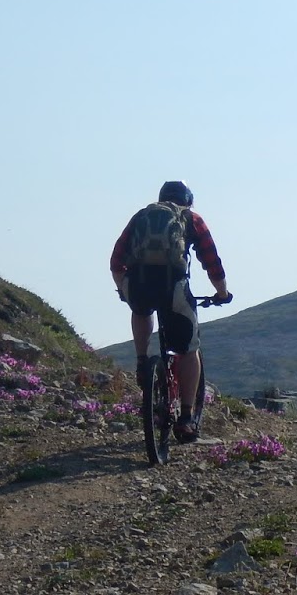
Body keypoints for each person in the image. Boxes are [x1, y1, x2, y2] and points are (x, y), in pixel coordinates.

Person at [109, 180, 229, 441]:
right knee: (188, 350)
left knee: (141, 311)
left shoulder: (141, 217)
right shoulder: (191, 219)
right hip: (173, 288)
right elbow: (211, 261)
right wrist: (222, 293)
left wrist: (123, 290)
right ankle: (186, 419)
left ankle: (142, 362)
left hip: (138, 285)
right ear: (188, 201)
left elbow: (116, 261)